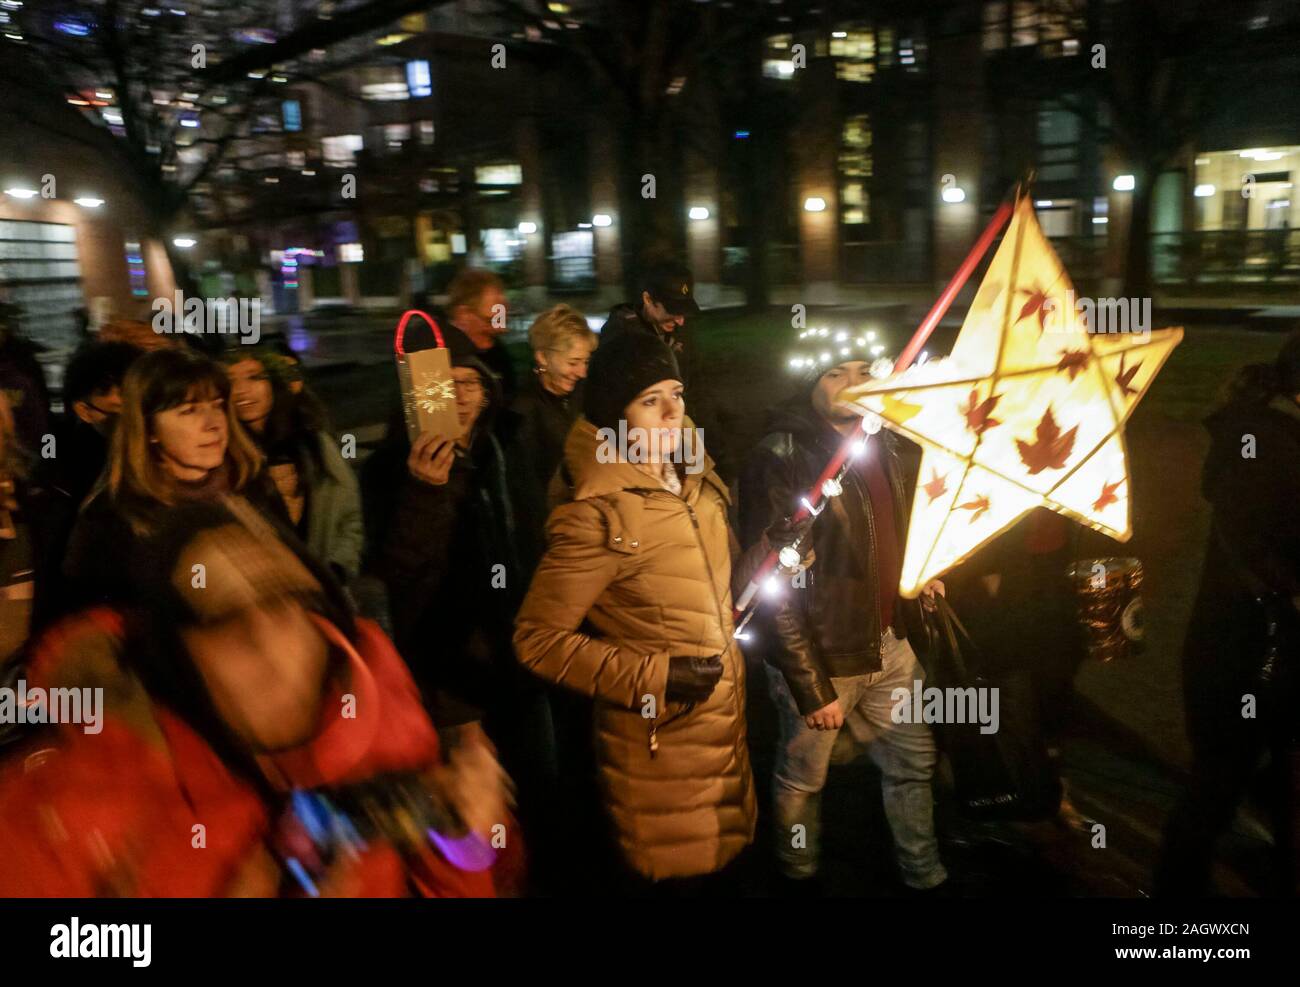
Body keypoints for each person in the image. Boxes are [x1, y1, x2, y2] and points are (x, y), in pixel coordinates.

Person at [0, 500, 513, 897]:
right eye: (222, 617)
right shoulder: (55, 814)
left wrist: (466, 845)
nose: (266, 641)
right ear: (176, 658)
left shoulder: (380, 715)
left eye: (285, 601)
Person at [513, 331, 756, 891]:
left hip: (727, 738)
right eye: (650, 400)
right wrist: (656, 676)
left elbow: (717, 589)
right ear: (615, 418)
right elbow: (537, 640)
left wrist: (773, 552)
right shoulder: (596, 515)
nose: (674, 411)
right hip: (660, 753)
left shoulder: (696, 481)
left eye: (676, 392)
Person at [738, 356, 947, 895]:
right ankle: (797, 873)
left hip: (890, 645)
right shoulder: (780, 457)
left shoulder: (891, 443)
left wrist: (920, 574)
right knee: (803, 779)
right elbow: (770, 586)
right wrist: (810, 684)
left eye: (861, 369)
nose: (853, 381)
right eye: (834, 373)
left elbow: (904, 526)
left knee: (912, 766)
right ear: (806, 385)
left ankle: (922, 873)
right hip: (824, 658)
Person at [364, 333, 558, 889]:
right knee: (470, 810)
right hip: (447, 665)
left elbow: (531, 540)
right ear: (418, 395)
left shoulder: (503, 450)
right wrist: (425, 492)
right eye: (444, 385)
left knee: (537, 784)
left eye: (471, 382)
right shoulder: (388, 471)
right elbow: (391, 575)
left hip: (519, 652)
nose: (461, 395)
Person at [1155, 330, 1300, 897]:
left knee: (1255, 768)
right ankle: (1177, 906)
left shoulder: (1268, 434)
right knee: (1219, 777)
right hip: (1243, 652)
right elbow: (1252, 542)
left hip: (1258, 646)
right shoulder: (1262, 444)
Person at [63, 347, 293, 615]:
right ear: (149, 429)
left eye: (217, 406)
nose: (212, 423)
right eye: (188, 411)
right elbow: (97, 625)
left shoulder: (252, 484)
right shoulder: (113, 517)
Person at [225, 348, 364, 585]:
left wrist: (336, 570)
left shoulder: (314, 444)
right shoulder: (223, 455)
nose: (240, 390)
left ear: (276, 384)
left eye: (254, 377)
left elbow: (350, 518)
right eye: (230, 382)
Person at [600, 260, 732, 481]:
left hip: (685, 447)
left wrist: (717, 453)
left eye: (684, 311)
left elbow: (697, 391)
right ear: (647, 299)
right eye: (672, 310)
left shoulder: (678, 331)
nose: (680, 320)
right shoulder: (620, 340)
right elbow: (612, 413)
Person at [507, 303, 596, 577]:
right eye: (573, 362)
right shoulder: (521, 412)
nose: (581, 372)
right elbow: (527, 496)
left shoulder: (586, 395)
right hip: (554, 545)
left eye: (586, 362)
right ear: (542, 358)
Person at [445, 268, 516, 405]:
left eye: (500, 320)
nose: (497, 330)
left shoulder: (497, 352)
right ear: (463, 315)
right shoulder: (438, 358)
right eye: (489, 321)